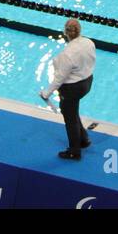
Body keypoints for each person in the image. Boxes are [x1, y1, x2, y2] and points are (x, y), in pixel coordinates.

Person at [38, 18, 96, 160]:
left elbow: (59, 79)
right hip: (87, 82)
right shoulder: (89, 42)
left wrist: (46, 93)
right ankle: (84, 139)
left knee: (69, 118)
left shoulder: (67, 54)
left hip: (72, 88)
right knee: (72, 111)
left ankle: (74, 151)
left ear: (66, 33)